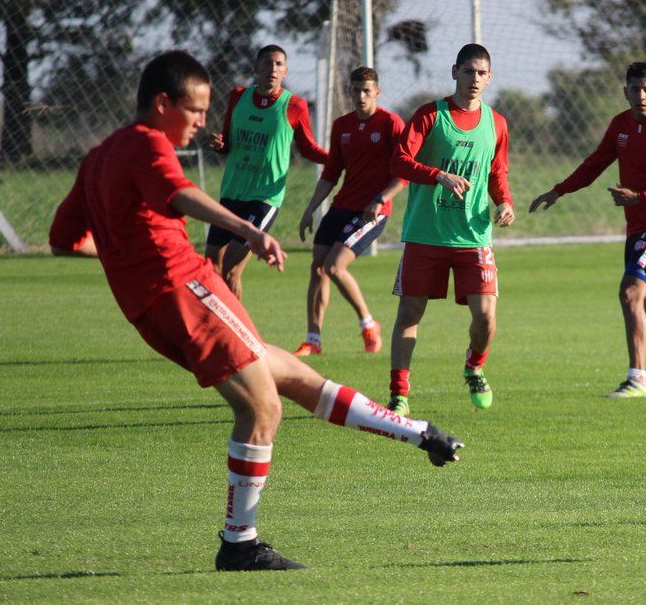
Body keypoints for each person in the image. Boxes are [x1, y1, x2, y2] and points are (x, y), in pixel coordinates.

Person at [48, 50, 463, 572]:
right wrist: (250, 231)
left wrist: (122, 257)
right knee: (263, 409)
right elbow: (179, 194)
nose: (203, 122)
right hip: (185, 290)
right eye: (195, 110)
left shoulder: (97, 158)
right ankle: (239, 543)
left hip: (152, 308)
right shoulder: (145, 142)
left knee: (291, 375)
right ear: (161, 104)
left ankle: (420, 433)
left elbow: (63, 240)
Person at [529, 61, 646, 398]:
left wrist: (640, 198)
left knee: (630, 293)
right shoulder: (620, 125)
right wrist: (559, 189)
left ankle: (638, 378)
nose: (641, 95)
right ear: (625, 92)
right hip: (639, 228)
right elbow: (596, 162)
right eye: (635, 89)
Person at [385, 43, 515, 417]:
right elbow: (399, 160)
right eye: (468, 71)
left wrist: (504, 202)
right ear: (454, 71)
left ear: (490, 77)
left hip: (472, 235)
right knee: (409, 314)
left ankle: (474, 365)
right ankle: (399, 395)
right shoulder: (430, 115)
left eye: (481, 73)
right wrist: (437, 175)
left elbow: (497, 172)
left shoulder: (497, 123)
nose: (474, 79)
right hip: (426, 233)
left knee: (486, 316)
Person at [294, 67, 406, 357]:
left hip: (371, 212)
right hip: (341, 206)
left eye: (366, 90)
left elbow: (404, 173)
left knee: (334, 266)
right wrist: (310, 209)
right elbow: (331, 174)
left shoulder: (390, 124)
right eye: (355, 90)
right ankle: (313, 339)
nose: (360, 96)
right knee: (318, 269)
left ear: (377, 92)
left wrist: (382, 198)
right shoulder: (341, 125)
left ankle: (368, 324)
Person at [205, 44, 329, 299]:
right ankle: (234, 332)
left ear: (285, 71)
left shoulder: (294, 105)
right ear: (256, 68)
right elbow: (228, 142)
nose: (273, 69)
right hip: (231, 193)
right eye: (267, 63)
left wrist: (339, 159)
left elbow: (307, 149)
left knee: (225, 267)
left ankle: (228, 332)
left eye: (279, 64)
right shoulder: (238, 96)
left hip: (263, 199)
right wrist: (220, 145)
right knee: (221, 272)